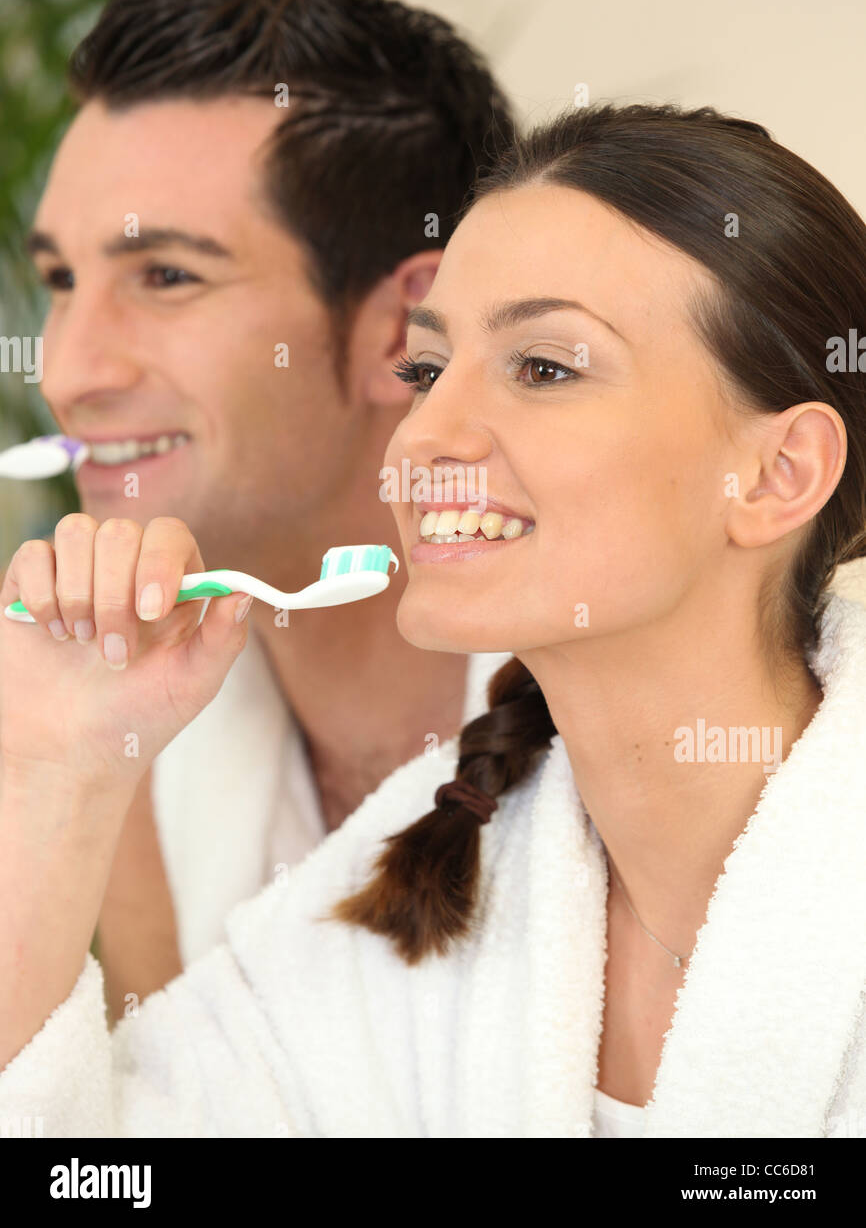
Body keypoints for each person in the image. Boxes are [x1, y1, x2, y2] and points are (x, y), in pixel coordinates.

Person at [3, 102, 866, 1138]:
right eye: (425, 370)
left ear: (777, 473)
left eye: (544, 367)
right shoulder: (405, 901)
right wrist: (55, 773)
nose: (422, 436)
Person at [13, 0, 515, 1015]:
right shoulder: (139, 747)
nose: (67, 370)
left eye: (165, 274)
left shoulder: (638, 710)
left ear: (405, 330)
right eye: (60, 276)